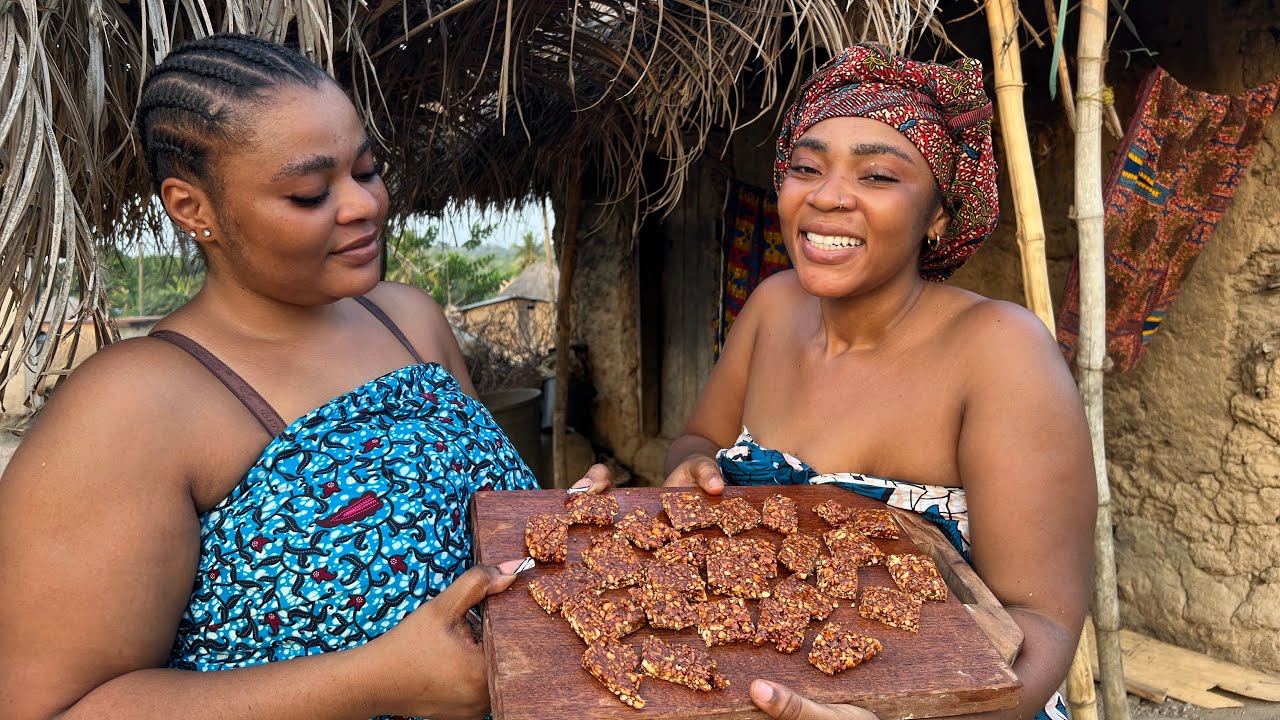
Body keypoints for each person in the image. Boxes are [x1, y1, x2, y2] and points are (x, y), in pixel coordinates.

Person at [0, 33, 609, 720]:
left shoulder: (408, 320)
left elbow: (481, 535)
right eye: (309, 193)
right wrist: (374, 681)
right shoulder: (131, 405)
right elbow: (46, 710)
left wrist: (573, 529)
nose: (364, 205)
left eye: (366, 170)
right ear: (193, 208)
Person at [664, 44, 1096, 720]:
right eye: (806, 167)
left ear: (940, 216)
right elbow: (696, 441)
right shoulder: (773, 309)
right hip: (761, 688)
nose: (827, 196)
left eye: (878, 176)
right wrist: (695, 471)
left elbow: (1042, 625)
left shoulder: (999, 351)